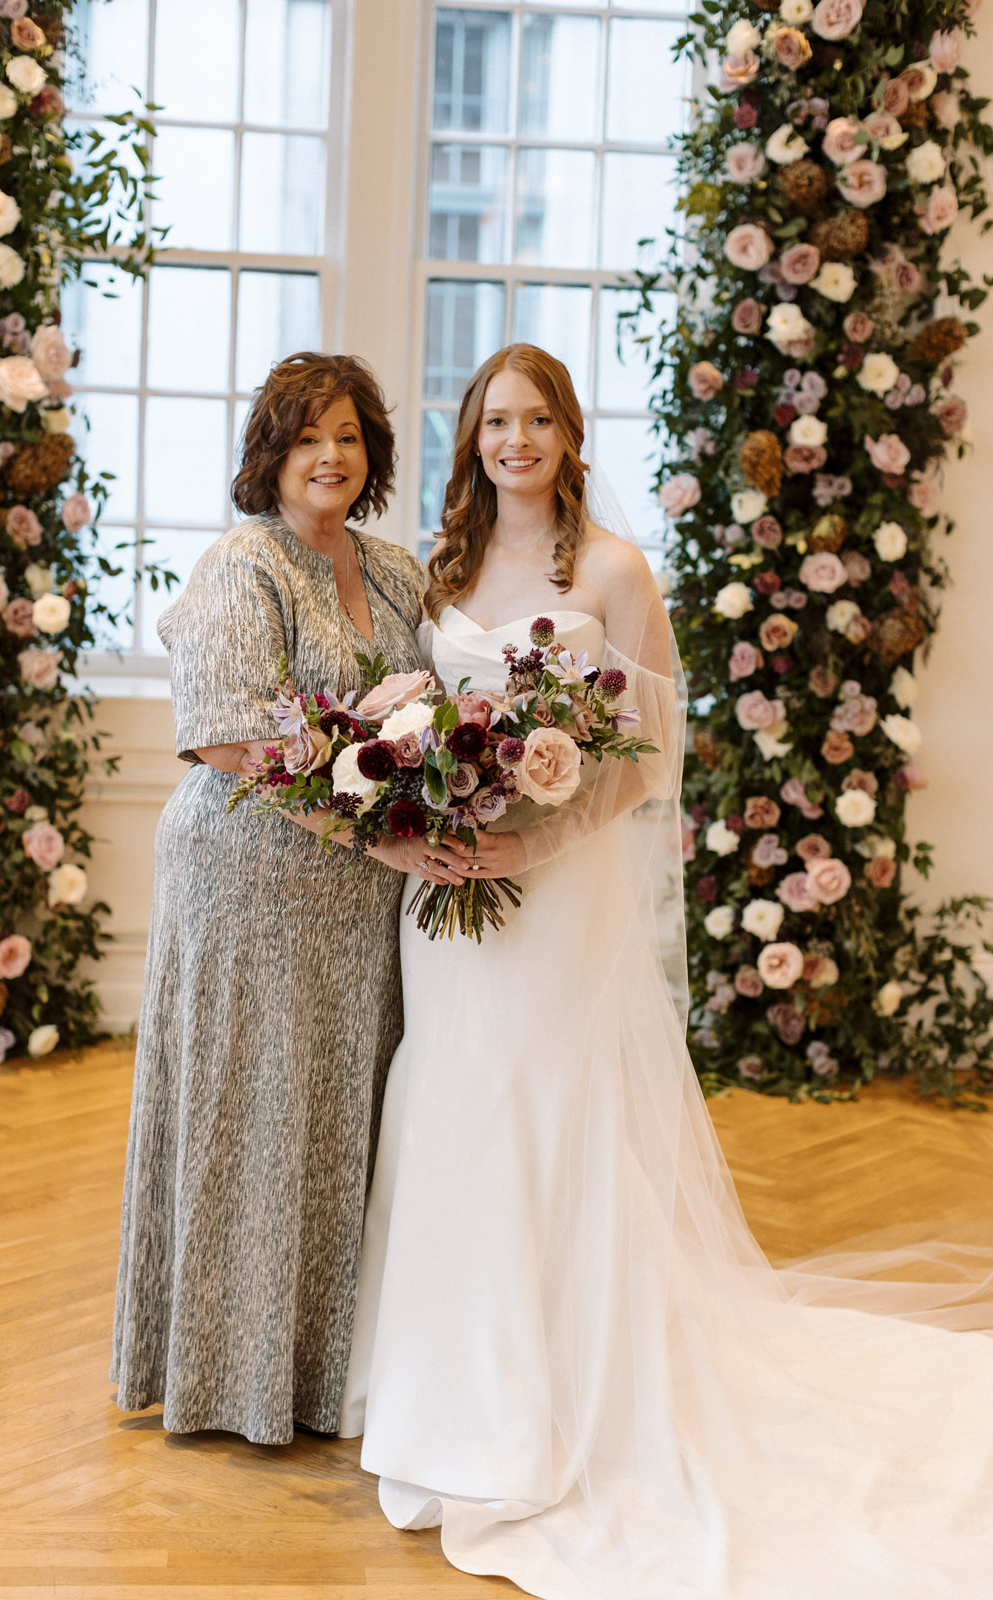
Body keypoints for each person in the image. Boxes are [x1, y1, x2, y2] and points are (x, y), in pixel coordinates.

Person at [339, 345, 993, 1599]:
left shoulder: (613, 571)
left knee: (538, 1107)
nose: (513, 440)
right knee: (452, 1104)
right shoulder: (442, 566)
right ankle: (438, 1390)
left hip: (553, 885)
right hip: (446, 897)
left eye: (536, 419)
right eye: (493, 421)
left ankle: (549, 1405)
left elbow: (643, 761)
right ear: (469, 436)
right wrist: (434, 819)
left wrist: (529, 831)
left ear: (569, 436)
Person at [112, 352, 457, 1445]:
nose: (330, 457)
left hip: (360, 906)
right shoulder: (241, 562)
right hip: (246, 889)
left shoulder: (396, 569)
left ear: (374, 456)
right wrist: (379, 832)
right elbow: (222, 730)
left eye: (349, 437)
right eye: (308, 437)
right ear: (272, 452)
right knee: (245, 1122)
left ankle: (319, 1378)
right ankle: (222, 1382)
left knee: (334, 1124)